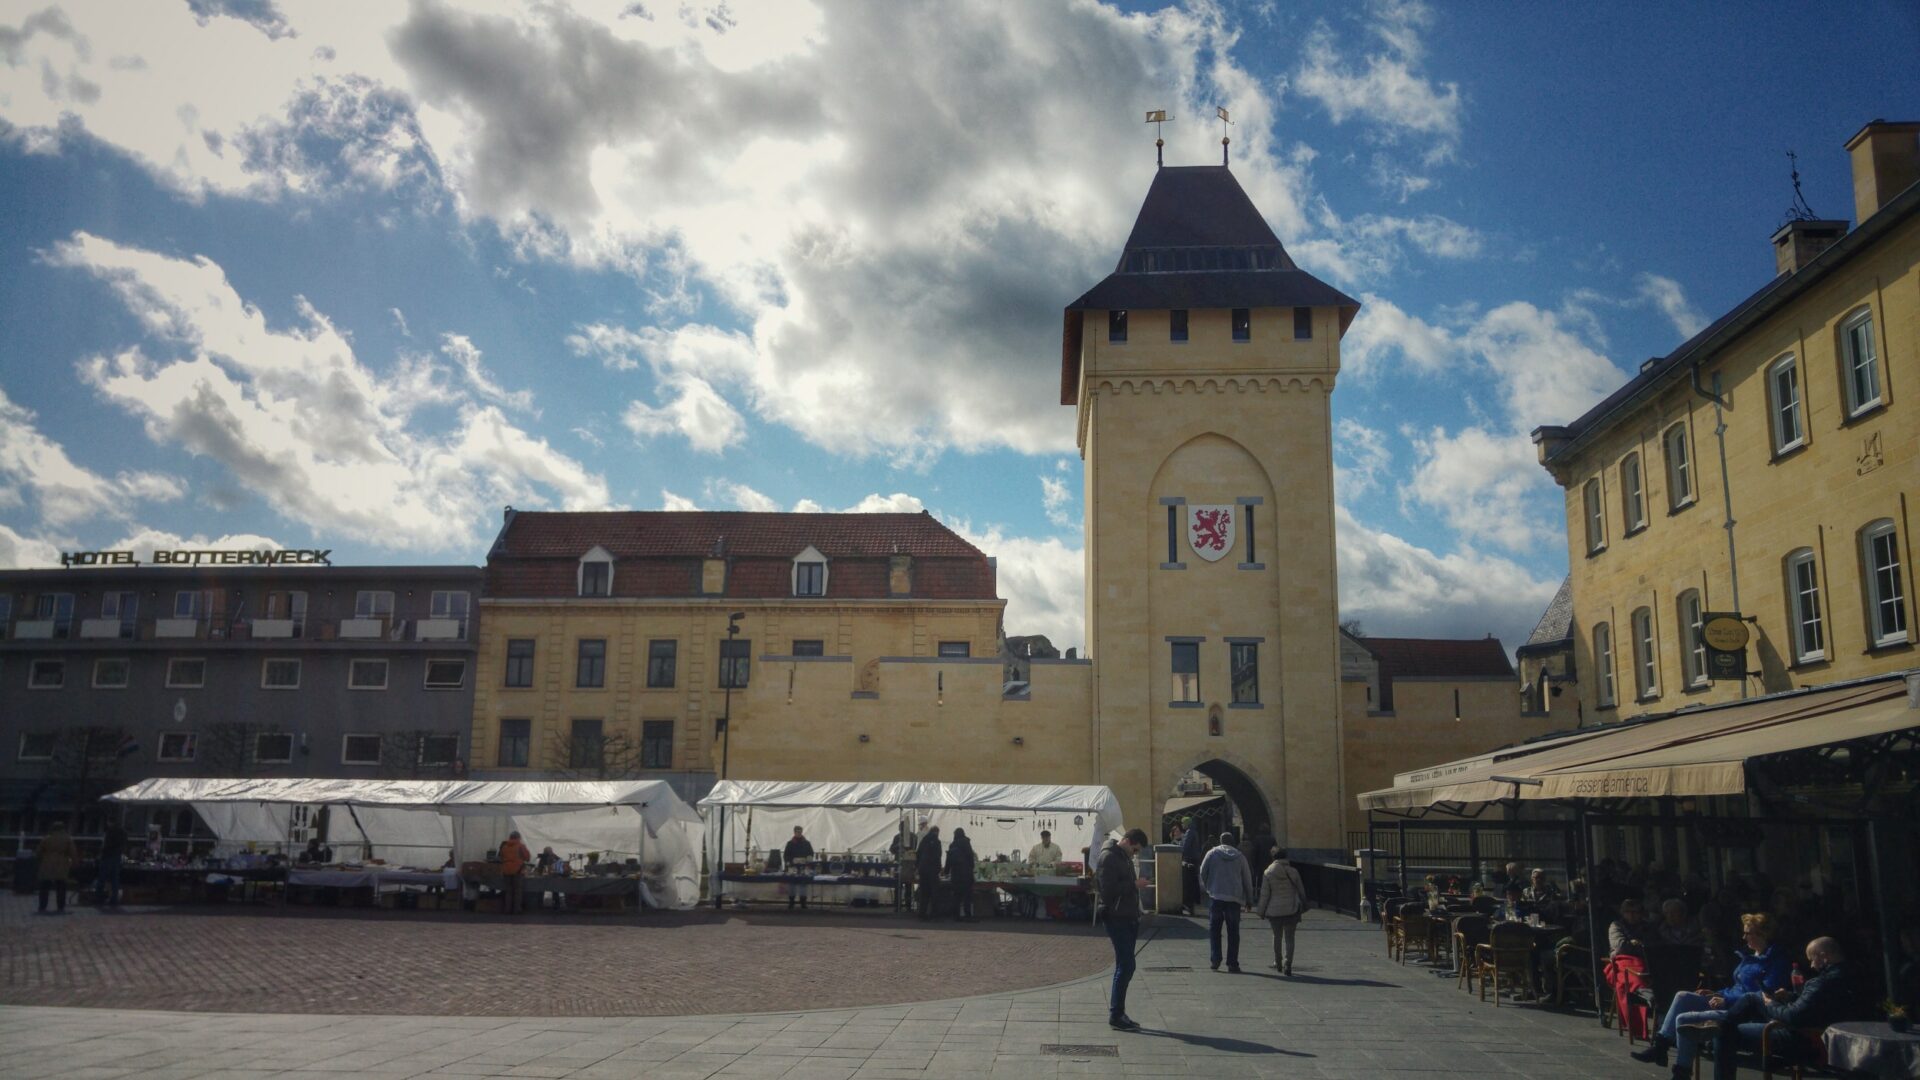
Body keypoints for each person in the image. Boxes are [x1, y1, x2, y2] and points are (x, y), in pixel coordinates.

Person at [1633, 912, 1790, 1071]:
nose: (1744, 937)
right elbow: (1738, 987)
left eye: (1748, 933)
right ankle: (1661, 1046)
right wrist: (1717, 993)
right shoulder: (1749, 956)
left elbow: (1763, 994)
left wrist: (1726, 1000)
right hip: (1727, 1000)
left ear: (1763, 934)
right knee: (1682, 996)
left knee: (1684, 1019)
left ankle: (1681, 1071)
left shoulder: (1776, 960)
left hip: (1743, 1012)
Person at [1706, 937, 1870, 1080]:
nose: (1811, 965)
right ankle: (1721, 1023)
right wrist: (1790, 997)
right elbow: (1820, 1004)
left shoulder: (1821, 982)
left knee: (1725, 1032)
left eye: (1812, 959)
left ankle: (1717, 1028)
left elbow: (1793, 1016)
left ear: (1824, 956)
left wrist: (1771, 1003)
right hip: (1836, 1036)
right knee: (1753, 998)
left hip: (1804, 1038)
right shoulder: (1858, 976)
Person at [1097, 828, 1150, 1031]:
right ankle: (1116, 1014)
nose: (1135, 854)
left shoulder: (1122, 857)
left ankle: (1119, 1012)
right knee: (1127, 965)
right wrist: (1134, 884)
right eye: (1135, 850)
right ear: (1127, 841)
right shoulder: (1109, 857)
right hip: (1116, 917)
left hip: (1127, 916)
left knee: (1125, 965)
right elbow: (1108, 891)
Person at [1199, 831, 1254, 972]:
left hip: (1216, 896)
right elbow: (1247, 878)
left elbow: (1202, 871)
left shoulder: (1211, 853)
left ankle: (1215, 960)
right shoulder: (1240, 857)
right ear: (1233, 841)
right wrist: (1249, 899)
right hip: (1234, 898)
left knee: (1214, 931)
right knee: (1233, 932)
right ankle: (1232, 963)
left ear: (1220, 841)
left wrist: (1208, 887)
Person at [1254, 846, 1307, 975]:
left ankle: (1278, 961)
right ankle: (1288, 963)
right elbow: (1301, 890)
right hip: (1291, 909)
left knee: (1276, 936)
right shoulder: (1293, 872)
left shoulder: (1268, 872)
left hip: (1274, 910)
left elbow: (1265, 894)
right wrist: (1304, 903)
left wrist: (1261, 911)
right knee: (1290, 938)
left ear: (1273, 857)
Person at [35, 821, 78, 915]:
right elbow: (73, 853)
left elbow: (38, 852)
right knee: (61, 886)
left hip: (47, 863)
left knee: (44, 887)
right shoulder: (67, 839)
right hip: (61, 863)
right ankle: (60, 907)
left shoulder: (47, 839)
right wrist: (75, 863)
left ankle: (42, 906)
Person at [96, 817, 128, 907]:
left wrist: (101, 853)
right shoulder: (123, 832)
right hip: (117, 856)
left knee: (102, 877)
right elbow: (124, 844)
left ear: (110, 822)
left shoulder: (110, 831)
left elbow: (106, 844)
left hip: (107, 856)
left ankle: (99, 897)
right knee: (115, 879)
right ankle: (114, 898)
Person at [947, 827, 977, 921]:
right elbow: (970, 857)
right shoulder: (966, 843)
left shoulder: (952, 845)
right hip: (966, 873)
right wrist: (971, 868)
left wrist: (946, 871)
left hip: (955, 874)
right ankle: (967, 915)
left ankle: (956, 916)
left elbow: (949, 860)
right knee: (967, 896)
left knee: (956, 896)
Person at [498, 830, 531, 914]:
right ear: (518, 837)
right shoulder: (520, 846)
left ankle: (507, 909)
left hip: (506, 870)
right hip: (517, 870)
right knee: (517, 891)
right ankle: (517, 909)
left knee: (508, 891)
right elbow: (527, 857)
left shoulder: (504, 846)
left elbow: (500, 857)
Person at [914, 826, 943, 920]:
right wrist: (939, 869)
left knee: (924, 893)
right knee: (934, 893)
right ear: (936, 832)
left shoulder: (924, 840)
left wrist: (918, 867)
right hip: (932, 870)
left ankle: (922, 914)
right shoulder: (937, 842)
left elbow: (918, 854)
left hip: (923, 870)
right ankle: (934, 914)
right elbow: (938, 856)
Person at [1178, 816, 1204, 916]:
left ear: (1187, 823)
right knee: (1193, 882)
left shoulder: (1189, 832)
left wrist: (1181, 854)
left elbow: (1185, 847)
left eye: (1183, 823)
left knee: (1188, 884)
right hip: (1194, 860)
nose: (1182, 825)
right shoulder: (1194, 832)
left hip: (1189, 860)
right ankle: (1192, 905)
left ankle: (1189, 905)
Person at [784, 826, 815, 911]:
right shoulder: (790, 844)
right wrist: (791, 861)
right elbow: (786, 855)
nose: (799, 833)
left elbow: (811, 854)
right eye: (797, 832)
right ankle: (791, 902)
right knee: (792, 885)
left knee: (803, 885)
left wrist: (808, 859)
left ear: (802, 832)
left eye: (800, 831)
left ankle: (803, 902)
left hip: (804, 867)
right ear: (794, 832)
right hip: (793, 867)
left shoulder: (807, 843)